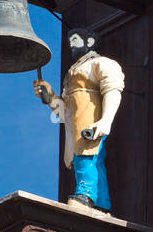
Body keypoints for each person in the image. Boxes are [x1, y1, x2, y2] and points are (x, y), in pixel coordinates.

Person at [33, 27, 124, 214]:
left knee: (87, 158)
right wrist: (49, 96)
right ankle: (102, 203)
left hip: (90, 118)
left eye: (75, 40)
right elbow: (65, 111)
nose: (71, 45)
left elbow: (112, 89)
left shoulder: (101, 63)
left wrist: (106, 120)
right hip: (76, 122)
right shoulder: (72, 73)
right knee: (86, 159)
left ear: (89, 42)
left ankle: (86, 195)